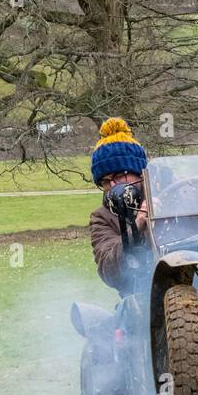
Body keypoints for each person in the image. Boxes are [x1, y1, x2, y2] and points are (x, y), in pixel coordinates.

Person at [88, 117, 152, 293]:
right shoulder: (101, 217)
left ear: (140, 173)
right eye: (106, 182)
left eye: (119, 176)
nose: (114, 186)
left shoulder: (172, 195)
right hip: (139, 298)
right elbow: (108, 270)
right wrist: (136, 226)